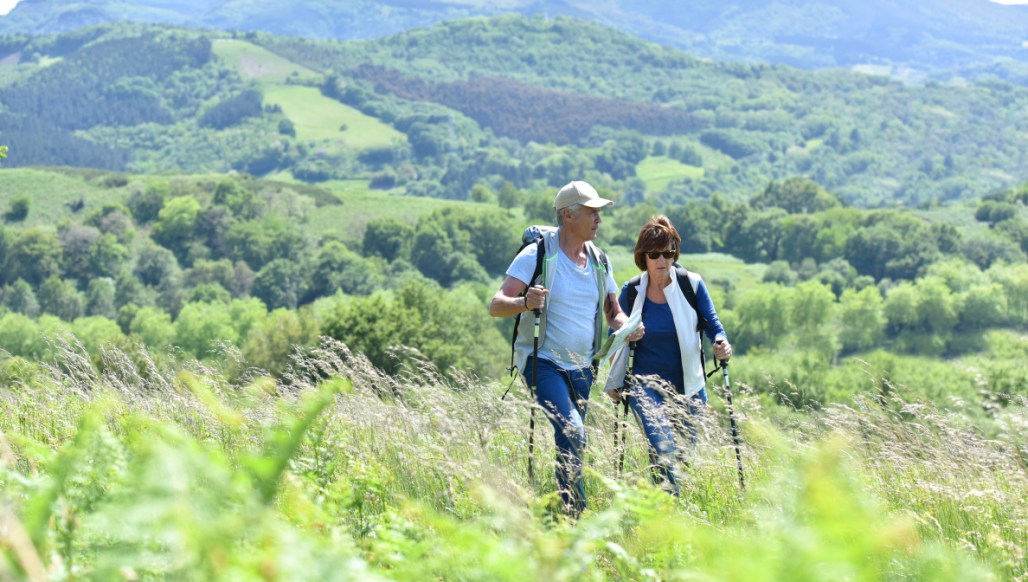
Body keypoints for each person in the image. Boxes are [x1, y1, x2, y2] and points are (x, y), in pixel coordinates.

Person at [489, 180, 644, 517]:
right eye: (592, 212)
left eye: (599, 212)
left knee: (571, 439)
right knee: (573, 429)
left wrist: (628, 326)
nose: (599, 218)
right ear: (568, 216)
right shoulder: (538, 254)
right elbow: (496, 304)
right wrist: (524, 302)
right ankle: (578, 514)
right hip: (542, 361)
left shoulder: (600, 260)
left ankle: (564, 512)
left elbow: (612, 311)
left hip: (584, 367)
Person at [604, 215, 732, 496]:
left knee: (684, 459)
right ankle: (667, 507)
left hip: (689, 386)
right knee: (662, 443)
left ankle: (669, 511)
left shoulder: (691, 285)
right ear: (643, 257)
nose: (662, 260)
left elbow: (712, 325)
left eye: (668, 253)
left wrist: (721, 343)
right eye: (655, 254)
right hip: (644, 386)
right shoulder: (632, 291)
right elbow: (615, 338)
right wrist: (614, 380)